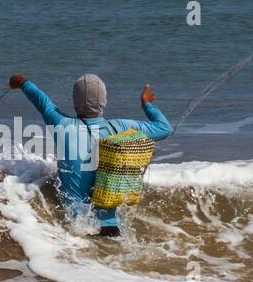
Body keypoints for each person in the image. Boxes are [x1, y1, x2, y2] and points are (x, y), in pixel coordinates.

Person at [9, 73, 172, 236]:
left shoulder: (61, 124)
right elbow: (165, 128)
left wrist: (22, 82)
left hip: (79, 227)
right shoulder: (122, 127)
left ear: (75, 100)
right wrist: (146, 104)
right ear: (104, 100)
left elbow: (42, 101)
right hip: (114, 226)